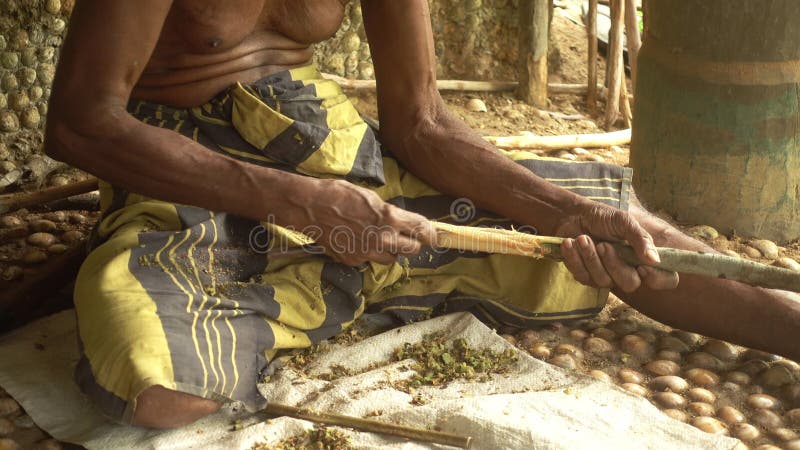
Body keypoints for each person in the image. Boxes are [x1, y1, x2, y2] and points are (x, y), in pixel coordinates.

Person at [45, 0, 800, 429]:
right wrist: (297, 202)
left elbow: (422, 123)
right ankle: (347, 285)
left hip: (338, 154)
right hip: (189, 172)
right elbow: (82, 122)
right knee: (163, 388)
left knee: (622, 229)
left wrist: (565, 211)